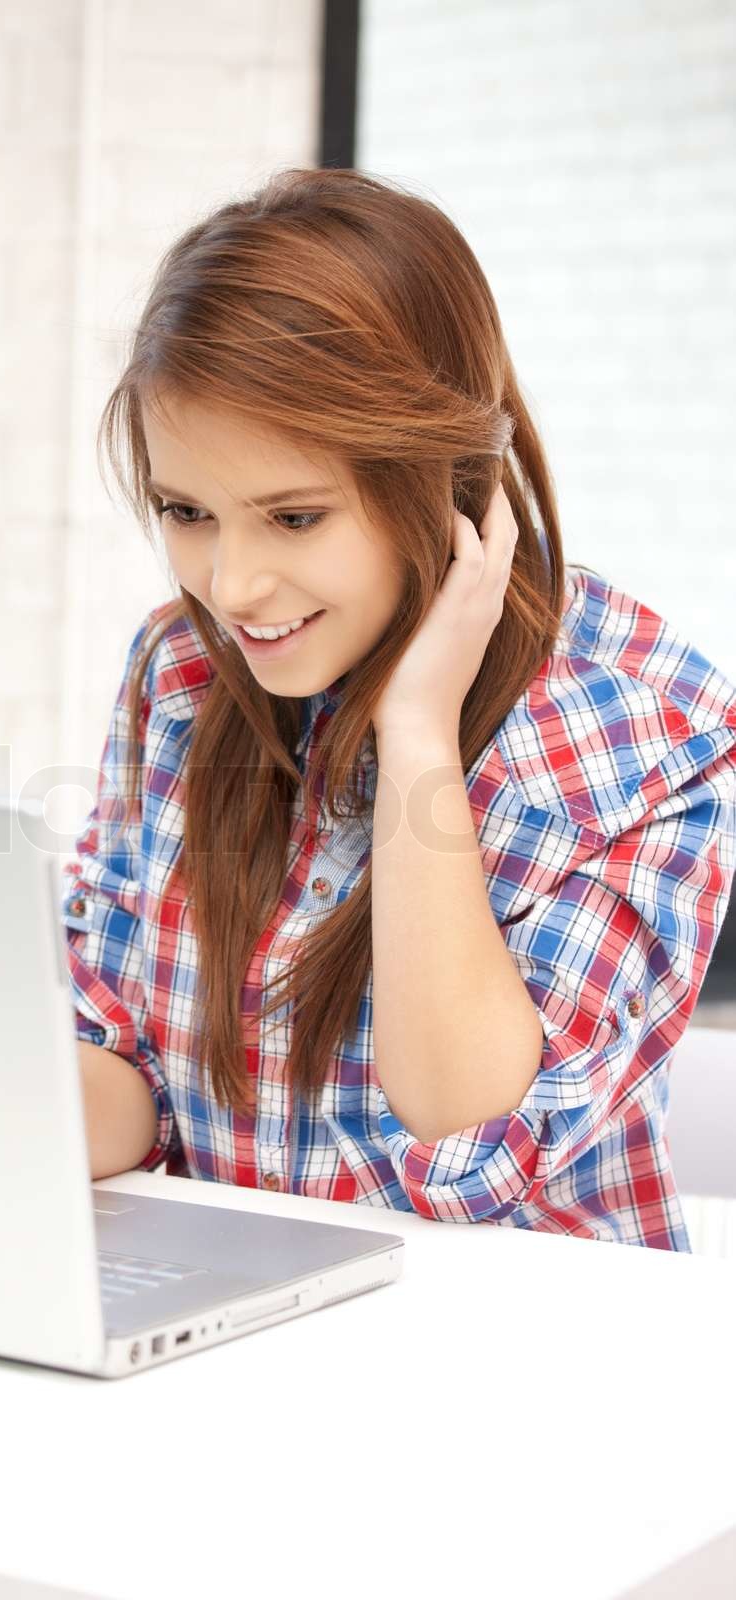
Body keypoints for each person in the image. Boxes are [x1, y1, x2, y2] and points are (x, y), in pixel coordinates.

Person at [62, 167, 736, 1251]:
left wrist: (417, 731)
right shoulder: (182, 669)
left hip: (515, 1330)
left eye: (293, 517)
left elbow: (466, 1146)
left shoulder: (645, 727)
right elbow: (125, 1064)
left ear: (443, 480)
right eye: (186, 511)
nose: (231, 586)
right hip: (234, 1305)